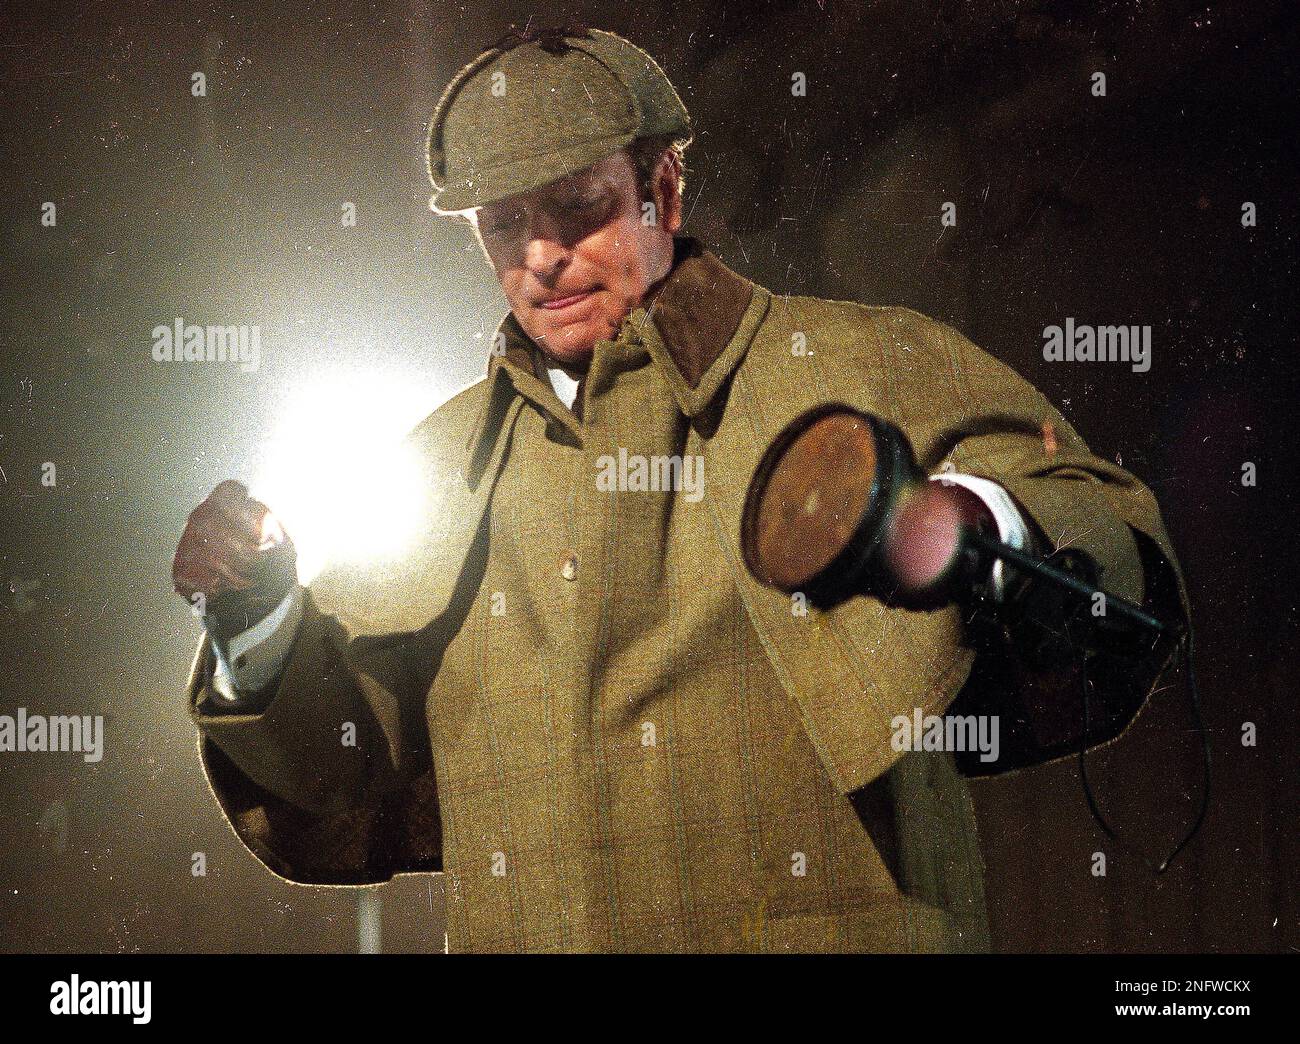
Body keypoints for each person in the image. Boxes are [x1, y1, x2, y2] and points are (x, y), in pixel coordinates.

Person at [173, 25, 1188, 953]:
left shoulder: (859, 364)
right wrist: (256, 631)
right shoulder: (432, 469)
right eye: (501, 224)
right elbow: (334, 775)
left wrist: (973, 523)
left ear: (662, 190)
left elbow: (1112, 546)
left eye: (577, 206)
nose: (539, 255)